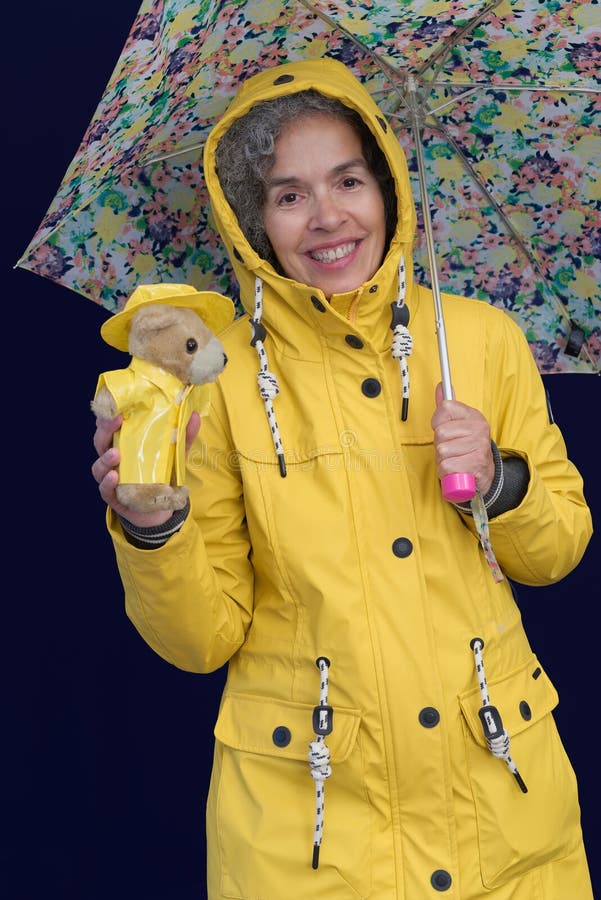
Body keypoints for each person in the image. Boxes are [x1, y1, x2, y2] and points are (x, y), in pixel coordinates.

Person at [92, 58, 593, 899]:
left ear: (388, 190)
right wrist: (153, 529)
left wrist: (499, 480)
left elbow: (555, 551)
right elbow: (200, 639)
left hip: (502, 817)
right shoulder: (210, 381)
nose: (327, 217)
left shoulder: (480, 340)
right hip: (311, 842)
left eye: (348, 181)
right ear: (253, 221)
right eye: (289, 195)